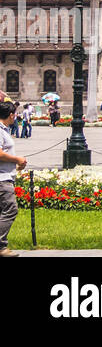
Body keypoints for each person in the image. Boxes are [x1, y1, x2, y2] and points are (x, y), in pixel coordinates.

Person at [0, 102, 25, 257]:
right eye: (14, 114)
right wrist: (17, 159)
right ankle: (1, 246)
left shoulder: (4, 129)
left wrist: (16, 166)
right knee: (11, 209)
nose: (15, 117)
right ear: (10, 115)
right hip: (2, 178)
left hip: (5, 175)